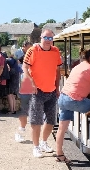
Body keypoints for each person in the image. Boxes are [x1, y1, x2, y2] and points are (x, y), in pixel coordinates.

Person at [55, 48, 90, 164]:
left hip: (63, 98)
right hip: (73, 100)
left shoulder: (79, 66)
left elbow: (80, 86)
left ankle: (59, 154)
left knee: (62, 128)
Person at [23, 29, 63, 158]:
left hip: (51, 91)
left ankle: (43, 142)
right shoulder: (33, 50)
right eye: (46, 37)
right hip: (37, 91)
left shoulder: (56, 51)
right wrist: (32, 83)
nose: (48, 40)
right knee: (36, 121)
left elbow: (57, 71)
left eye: (50, 38)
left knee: (51, 120)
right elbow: (25, 68)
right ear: (41, 37)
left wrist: (57, 88)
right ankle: (35, 147)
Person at [15, 51, 34, 143]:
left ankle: (21, 133)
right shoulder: (24, 67)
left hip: (30, 92)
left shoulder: (23, 67)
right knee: (24, 114)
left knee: (29, 115)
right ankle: (19, 132)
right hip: (25, 92)